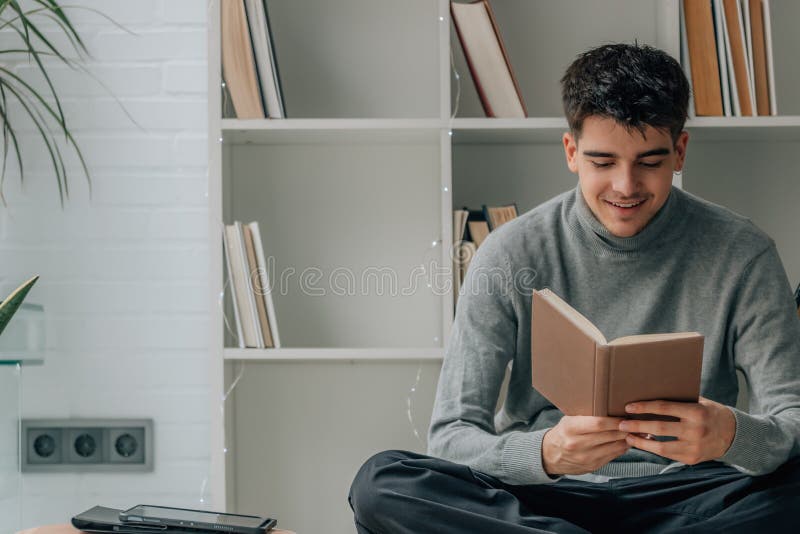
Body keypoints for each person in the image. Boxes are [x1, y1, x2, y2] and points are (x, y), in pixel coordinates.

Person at [348, 43, 800, 532]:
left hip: (690, 496)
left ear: (680, 151)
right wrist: (547, 452)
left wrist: (729, 436)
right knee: (381, 481)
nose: (625, 186)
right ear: (571, 152)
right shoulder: (509, 252)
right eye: (602, 162)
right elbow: (452, 435)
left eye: (649, 161)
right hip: (546, 498)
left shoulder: (744, 252)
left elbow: (791, 421)